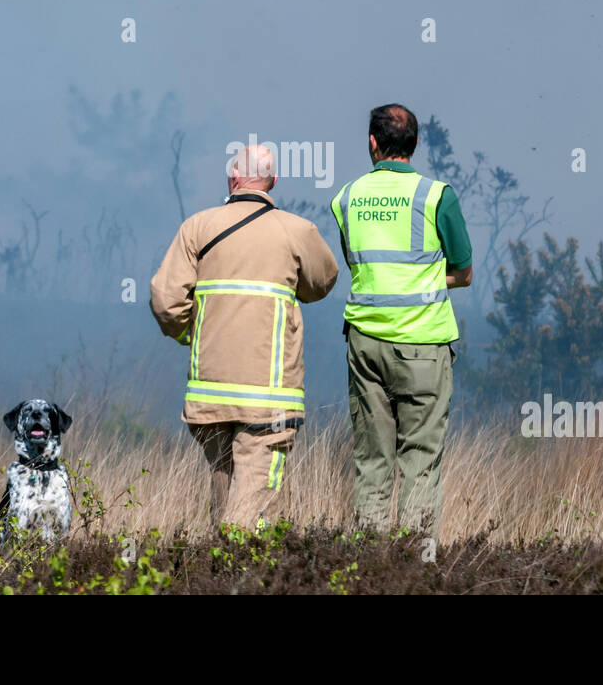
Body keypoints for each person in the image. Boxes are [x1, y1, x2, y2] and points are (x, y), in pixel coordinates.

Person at [150, 144, 339, 528]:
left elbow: (166, 301)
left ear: (233, 178)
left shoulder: (196, 227)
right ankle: (240, 573)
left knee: (225, 492)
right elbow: (323, 282)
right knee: (253, 507)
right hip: (267, 398)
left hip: (208, 398)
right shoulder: (297, 230)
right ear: (272, 182)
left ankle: (214, 574)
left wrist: (190, 333)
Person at [329, 103, 473, 536]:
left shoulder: (346, 199)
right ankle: (412, 566)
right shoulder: (437, 195)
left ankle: (369, 568)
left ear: (372, 143)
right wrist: (426, 281)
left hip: (365, 343)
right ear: (414, 144)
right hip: (424, 346)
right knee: (420, 461)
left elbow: (359, 265)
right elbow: (463, 272)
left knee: (371, 461)